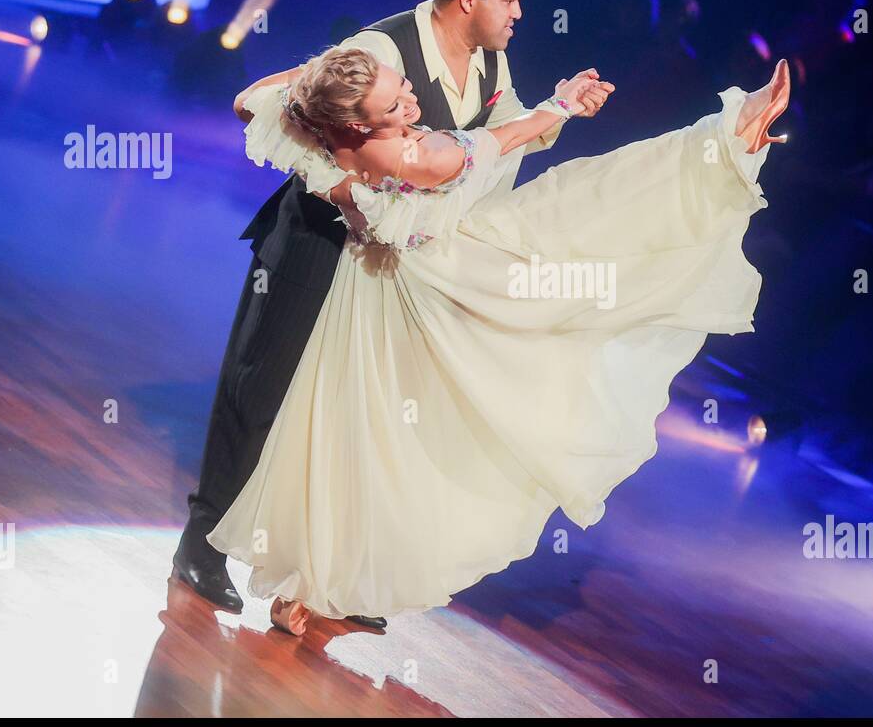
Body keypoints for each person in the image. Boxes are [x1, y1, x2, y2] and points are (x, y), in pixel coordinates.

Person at [204, 47, 791, 634]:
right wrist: (560, 105)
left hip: (369, 290)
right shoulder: (419, 156)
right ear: (359, 123)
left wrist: (313, 74)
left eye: (403, 84)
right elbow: (502, 140)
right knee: (586, 206)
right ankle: (723, 144)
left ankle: (313, 587)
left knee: (364, 439)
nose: (411, 98)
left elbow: (246, 100)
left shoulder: (318, 134)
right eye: (395, 100)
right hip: (445, 275)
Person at [171, 0, 611, 628]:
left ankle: (329, 580)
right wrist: (343, 186)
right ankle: (201, 547)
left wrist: (564, 105)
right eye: (510, 0)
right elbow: (280, 105)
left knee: (360, 413)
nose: (520, 13)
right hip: (315, 246)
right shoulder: (383, 48)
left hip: (382, 268)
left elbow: (501, 134)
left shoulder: (490, 61)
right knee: (260, 389)